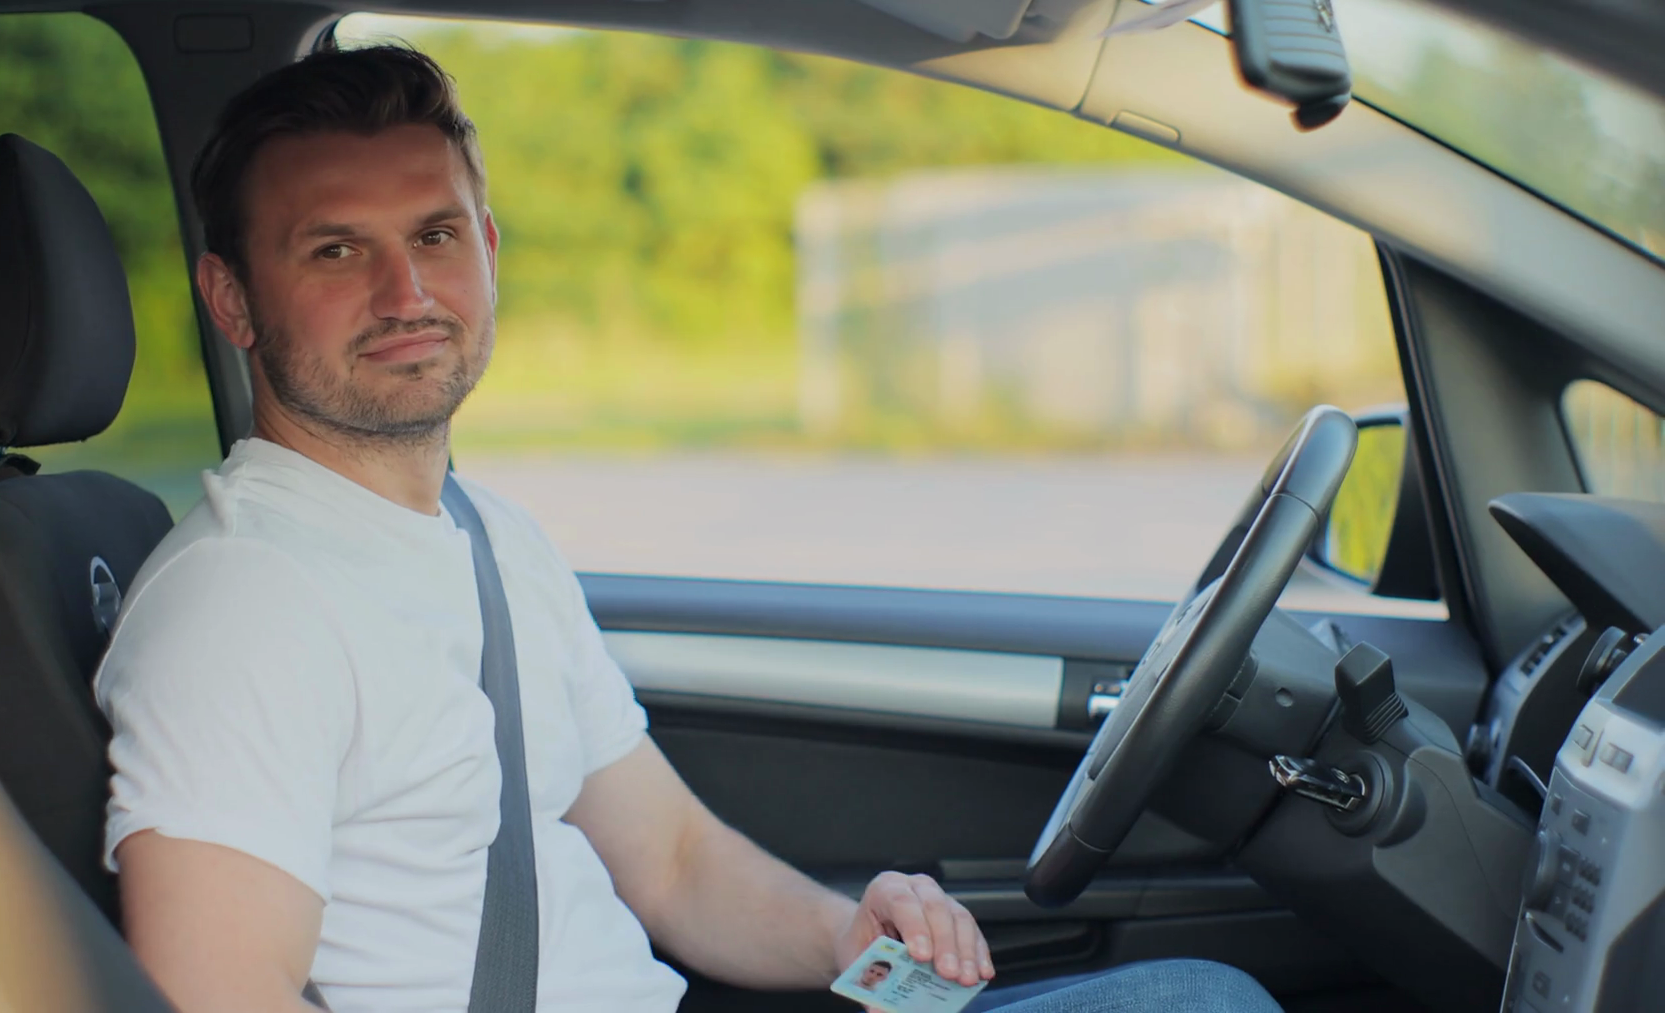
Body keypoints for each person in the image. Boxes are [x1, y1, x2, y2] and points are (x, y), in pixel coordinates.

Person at [94, 43, 1282, 1013]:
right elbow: (213, 989)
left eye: (436, 235)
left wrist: (846, 928)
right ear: (232, 299)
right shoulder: (243, 601)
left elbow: (670, 859)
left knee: (1198, 994)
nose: (406, 293)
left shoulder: (485, 534)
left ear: (489, 254)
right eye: (337, 249)